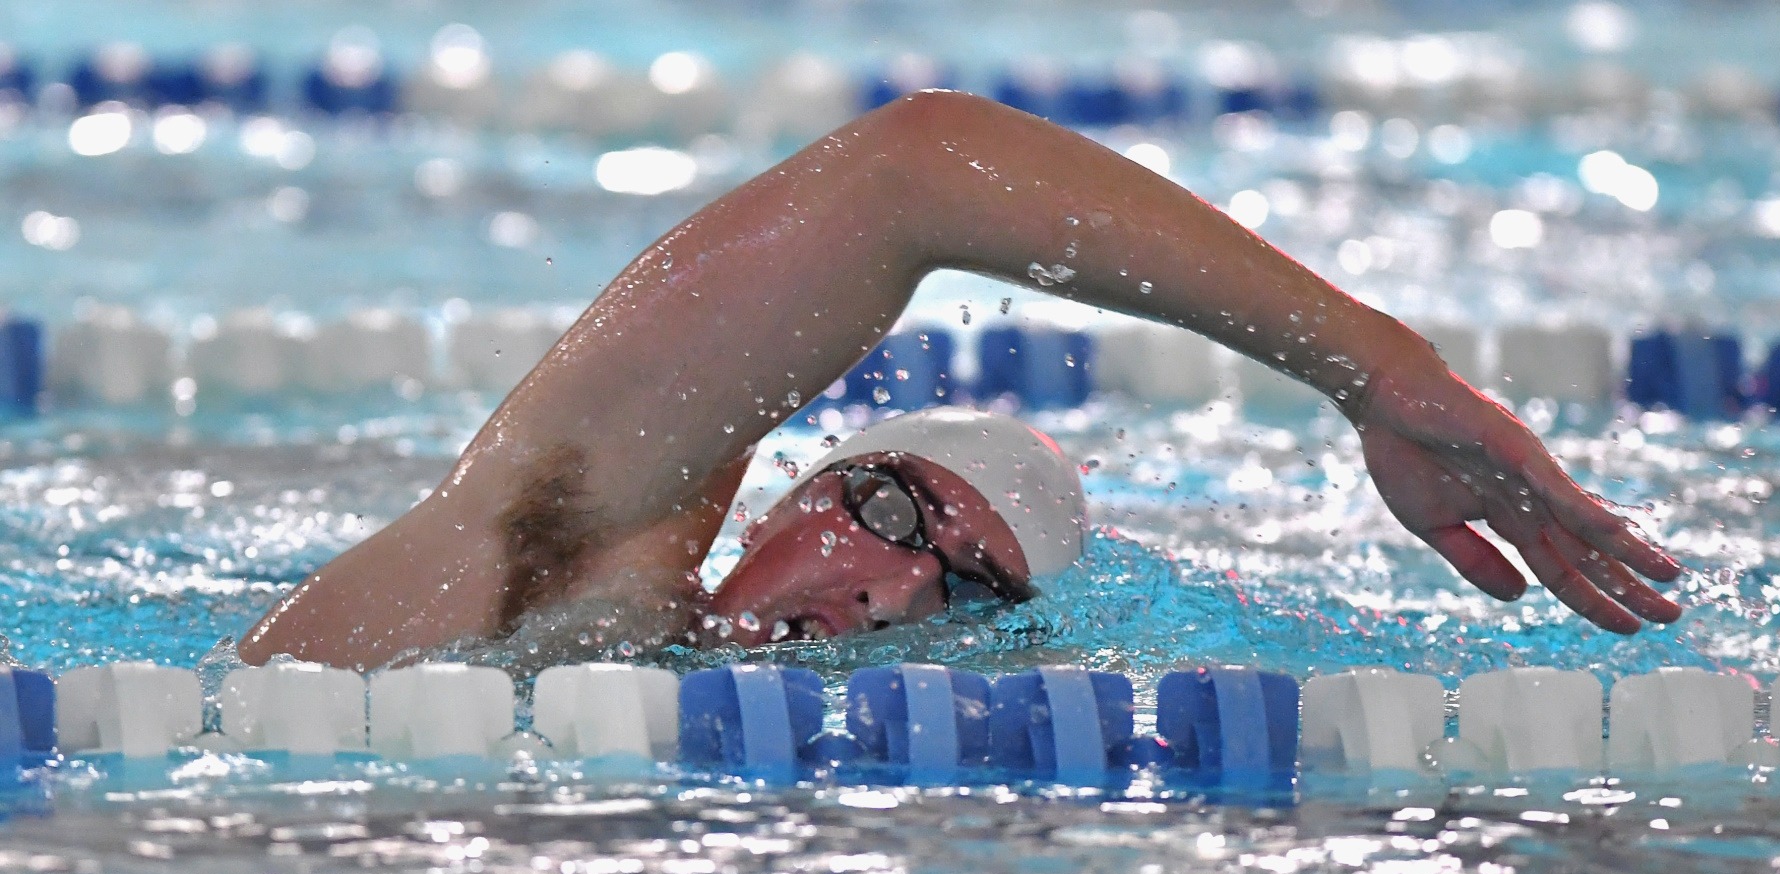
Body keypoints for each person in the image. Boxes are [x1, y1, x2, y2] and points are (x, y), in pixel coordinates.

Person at [239, 90, 1683, 672]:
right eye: (883, 502)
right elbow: (911, 172)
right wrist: (1379, 368)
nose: (886, 583)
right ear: (784, 489)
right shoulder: (563, 567)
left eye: (968, 584)